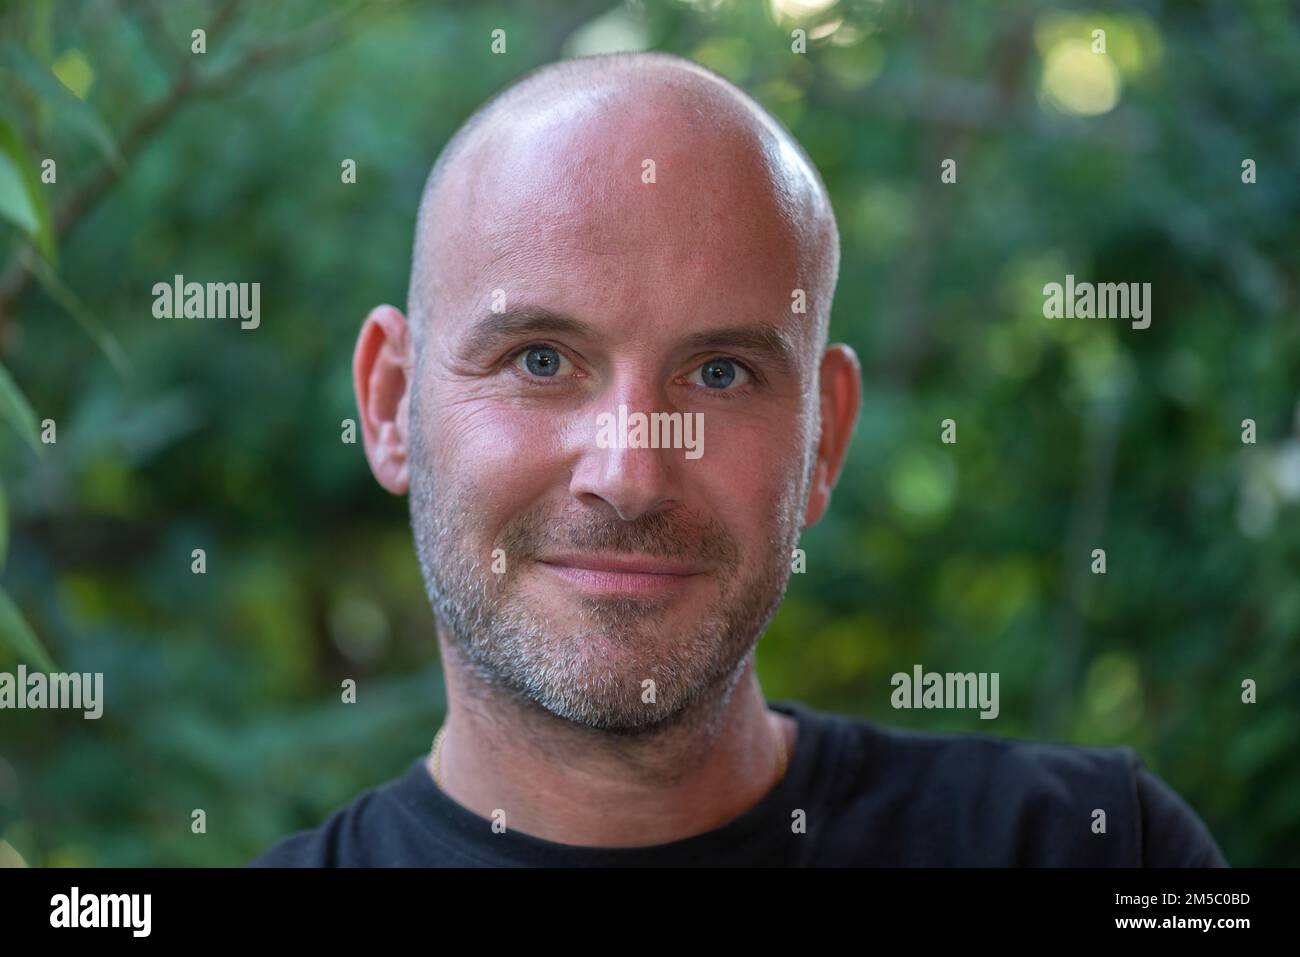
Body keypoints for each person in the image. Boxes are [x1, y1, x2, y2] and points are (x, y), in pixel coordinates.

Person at [251, 51, 1224, 867]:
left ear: (823, 439)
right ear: (389, 406)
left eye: (719, 374)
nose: (630, 473)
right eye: (538, 361)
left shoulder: (1094, 849)